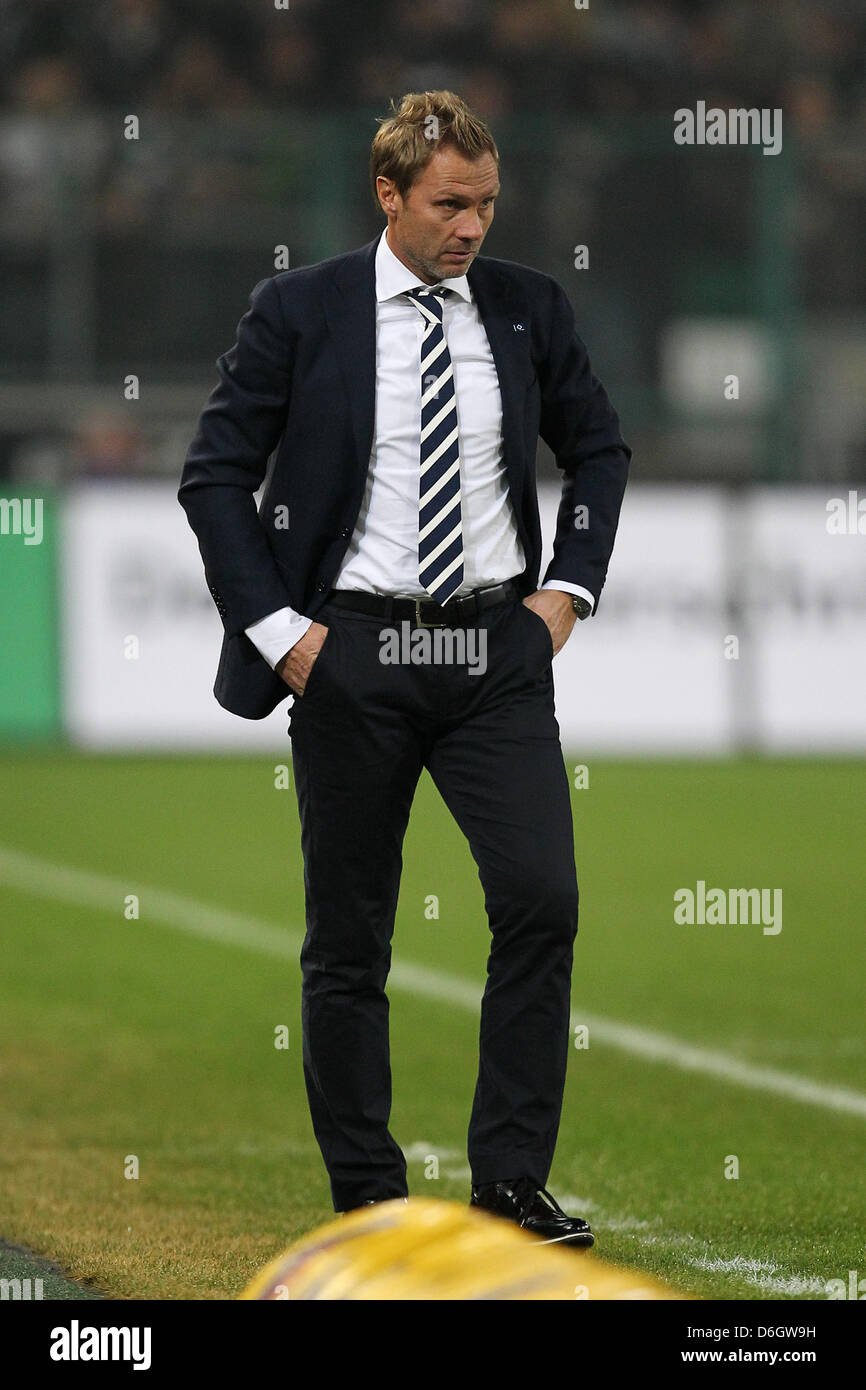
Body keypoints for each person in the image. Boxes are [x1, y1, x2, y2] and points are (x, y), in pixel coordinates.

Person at [178, 90, 630, 1246]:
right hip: (352, 651)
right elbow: (215, 473)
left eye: (484, 203)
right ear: (389, 196)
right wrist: (282, 633)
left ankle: (510, 1184)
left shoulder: (528, 309)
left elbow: (598, 445)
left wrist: (563, 593)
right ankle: (367, 1199)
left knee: (541, 901)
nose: (470, 225)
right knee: (348, 937)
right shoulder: (299, 309)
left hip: (492, 649)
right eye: (448, 205)